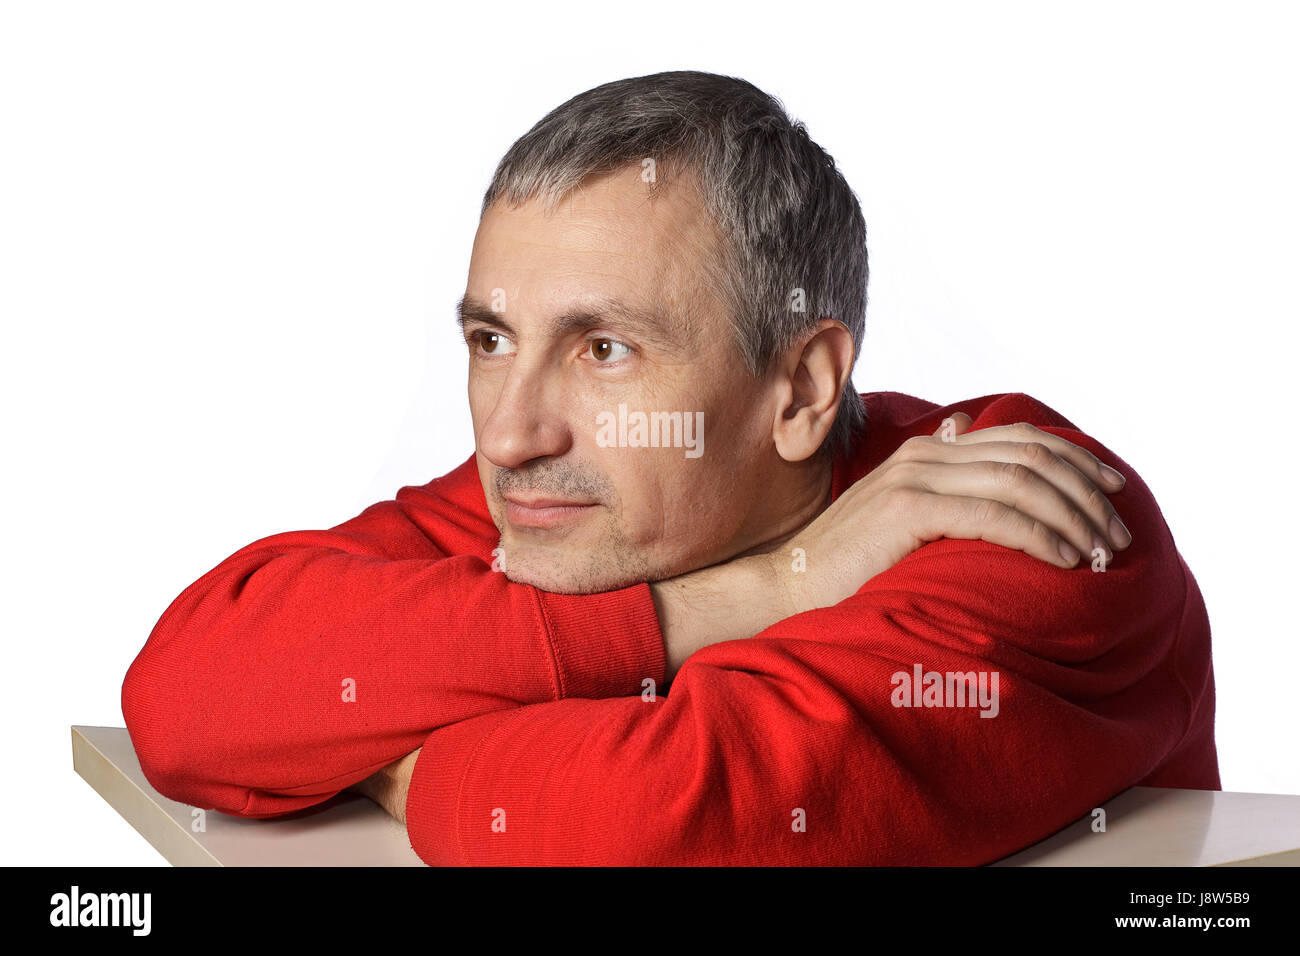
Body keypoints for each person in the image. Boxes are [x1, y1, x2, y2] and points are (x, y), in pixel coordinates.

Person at [121, 71, 1218, 865]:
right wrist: (757, 593)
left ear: (796, 390)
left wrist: (389, 756)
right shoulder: (567, 496)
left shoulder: (1020, 509)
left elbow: (633, 829)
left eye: (604, 350)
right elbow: (185, 700)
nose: (508, 434)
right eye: (491, 340)